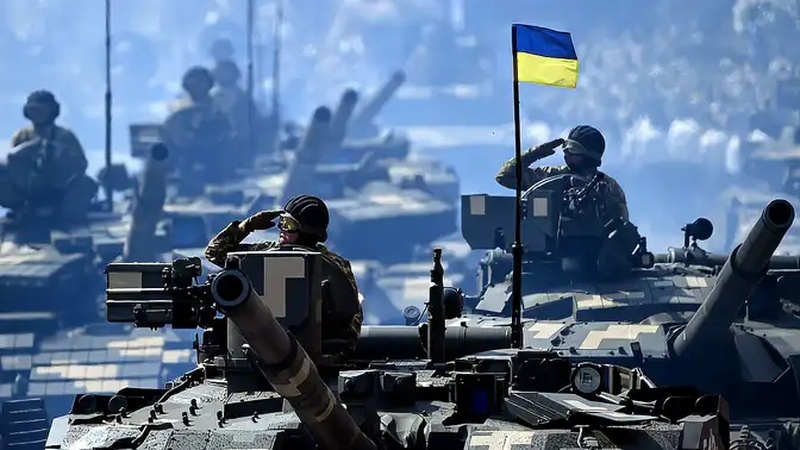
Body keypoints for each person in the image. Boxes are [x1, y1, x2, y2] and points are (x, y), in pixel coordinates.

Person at [204, 194, 363, 359]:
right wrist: (247, 226)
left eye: (288, 224)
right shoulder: (264, 252)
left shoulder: (334, 266)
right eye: (281, 222)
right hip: (254, 350)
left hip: (313, 353)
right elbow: (214, 252)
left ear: (306, 232)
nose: (281, 228)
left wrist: (339, 355)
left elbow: (350, 313)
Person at [495, 124, 629, 222]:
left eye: (572, 149)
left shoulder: (609, 187)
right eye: (565, 148)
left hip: (593, 250)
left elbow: (622, 226)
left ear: (588, 156)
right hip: (552, 248)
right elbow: (505, 176)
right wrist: (535, 153)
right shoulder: (552, 177)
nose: (566, 153)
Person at [0, 90, 97, 223]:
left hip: (60, 189)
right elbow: (9, 162)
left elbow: (81, 164)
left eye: (42, 110)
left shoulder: (65, 136)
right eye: (33, 110)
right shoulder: (22, 135)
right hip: (26, 190)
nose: (38, 114)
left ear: (52, 111)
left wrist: (63, 160)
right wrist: (28, 149)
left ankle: (64, 214)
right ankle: (24, 211)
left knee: (86, 184)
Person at [161, 66, 234, 179]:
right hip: (181, 173)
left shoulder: (221, 108)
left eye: (198, 85)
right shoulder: (178, 112)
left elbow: (225, 137)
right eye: (190, 86)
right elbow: (169, 135)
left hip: (217, 172)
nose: (194, 90)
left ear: (208, 86)